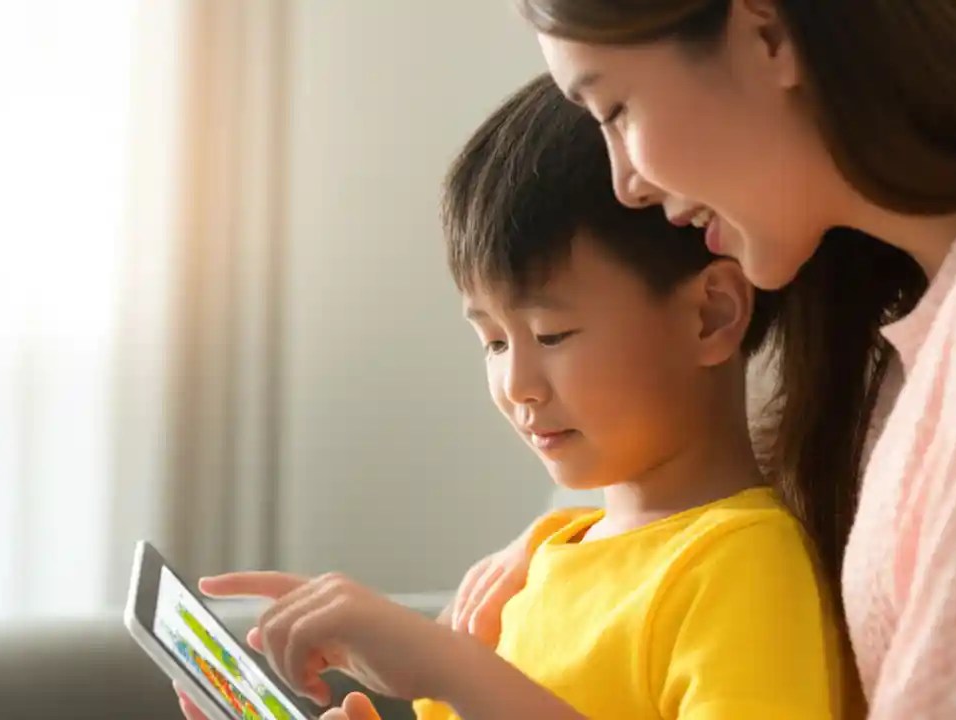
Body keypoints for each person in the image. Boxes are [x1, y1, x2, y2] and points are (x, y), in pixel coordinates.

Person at [184, 1, 956, 718]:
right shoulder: (892, 347)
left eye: (615, 108)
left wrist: (452, 668)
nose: (628, 183)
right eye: (492, 341)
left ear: (766, 34)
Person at [179, 71, 855, 720]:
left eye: (551, 334)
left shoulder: (745, 564)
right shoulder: (547, 556)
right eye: (494, 342)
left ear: (711, 316)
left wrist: (453, 668)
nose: (516, 386)